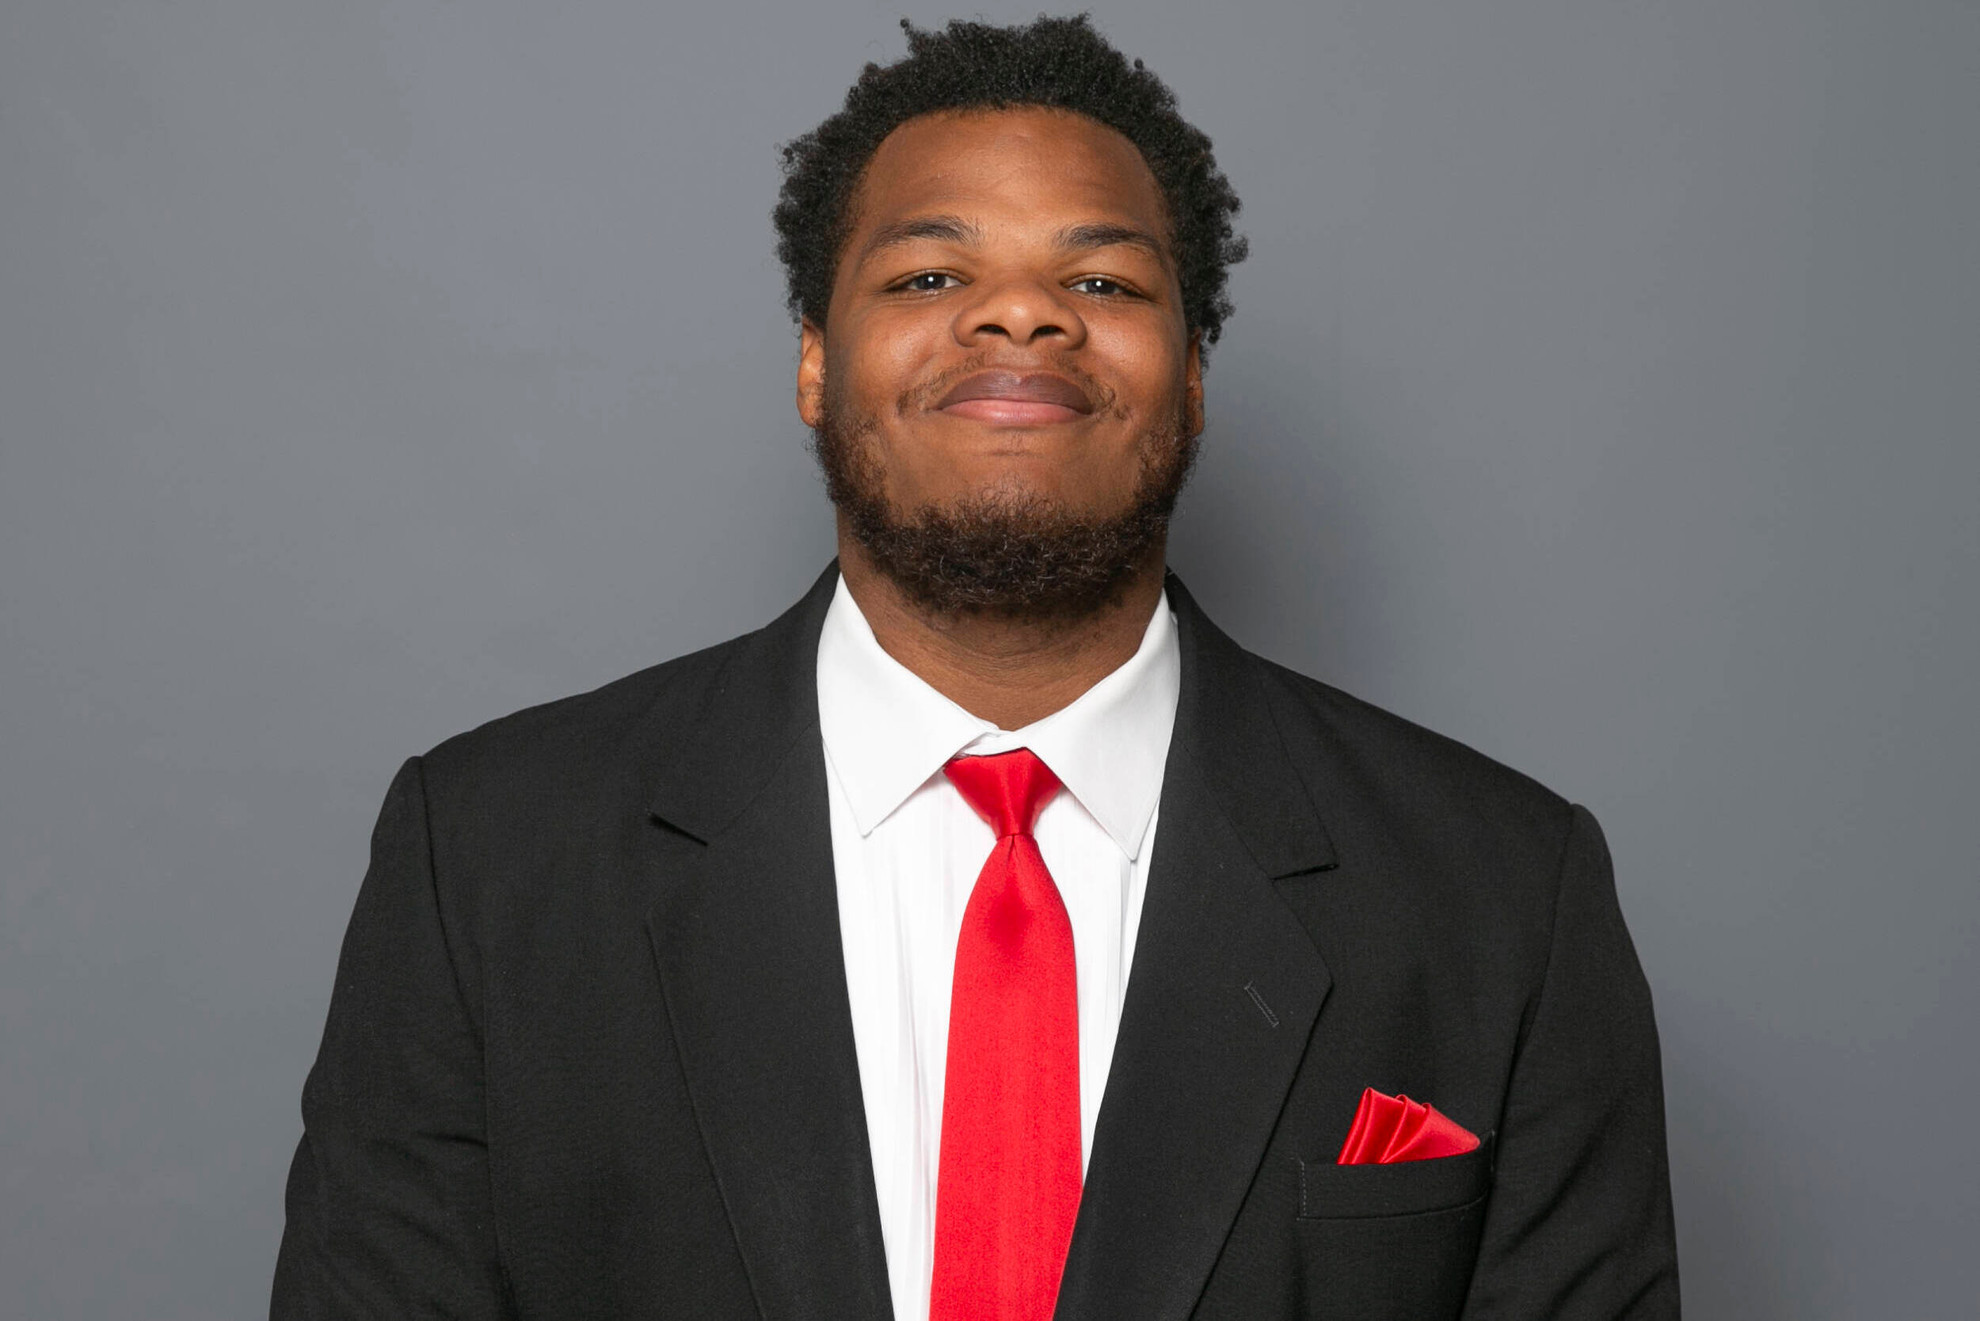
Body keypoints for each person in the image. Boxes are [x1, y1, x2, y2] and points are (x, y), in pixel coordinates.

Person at [272, 15, 1678, 1320]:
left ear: (1193, 376)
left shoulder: (1502, 892)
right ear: (816, 361)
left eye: (1101, 279)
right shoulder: (490, 860)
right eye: (930, 275)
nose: (1021, 316)